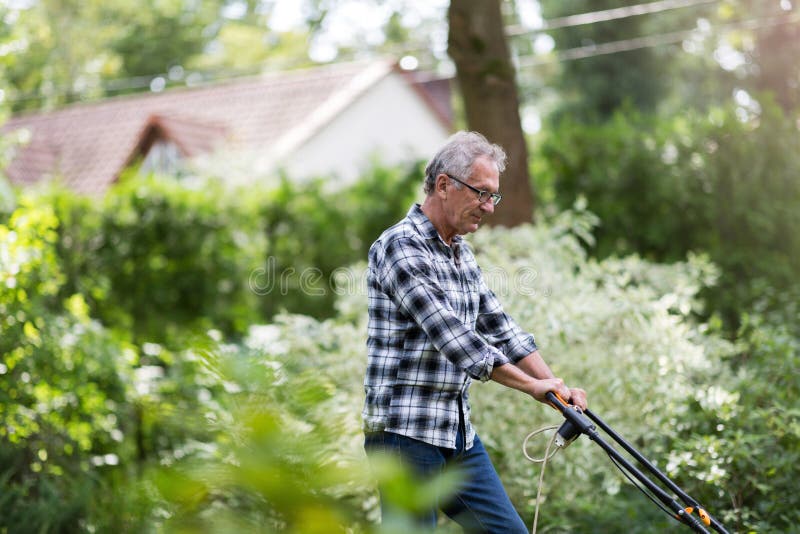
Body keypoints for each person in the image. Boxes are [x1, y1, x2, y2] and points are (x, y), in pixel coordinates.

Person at [362, 131, 588, 533]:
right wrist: (531, 388)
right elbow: (458, 342)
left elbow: (499, 327)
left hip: (456, 433)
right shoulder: (400, 247)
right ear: (444, 185)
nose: (488, 207)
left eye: (493, 196)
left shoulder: (458, 250)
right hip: (404, 436)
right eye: (481, 193)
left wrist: (556, 388)